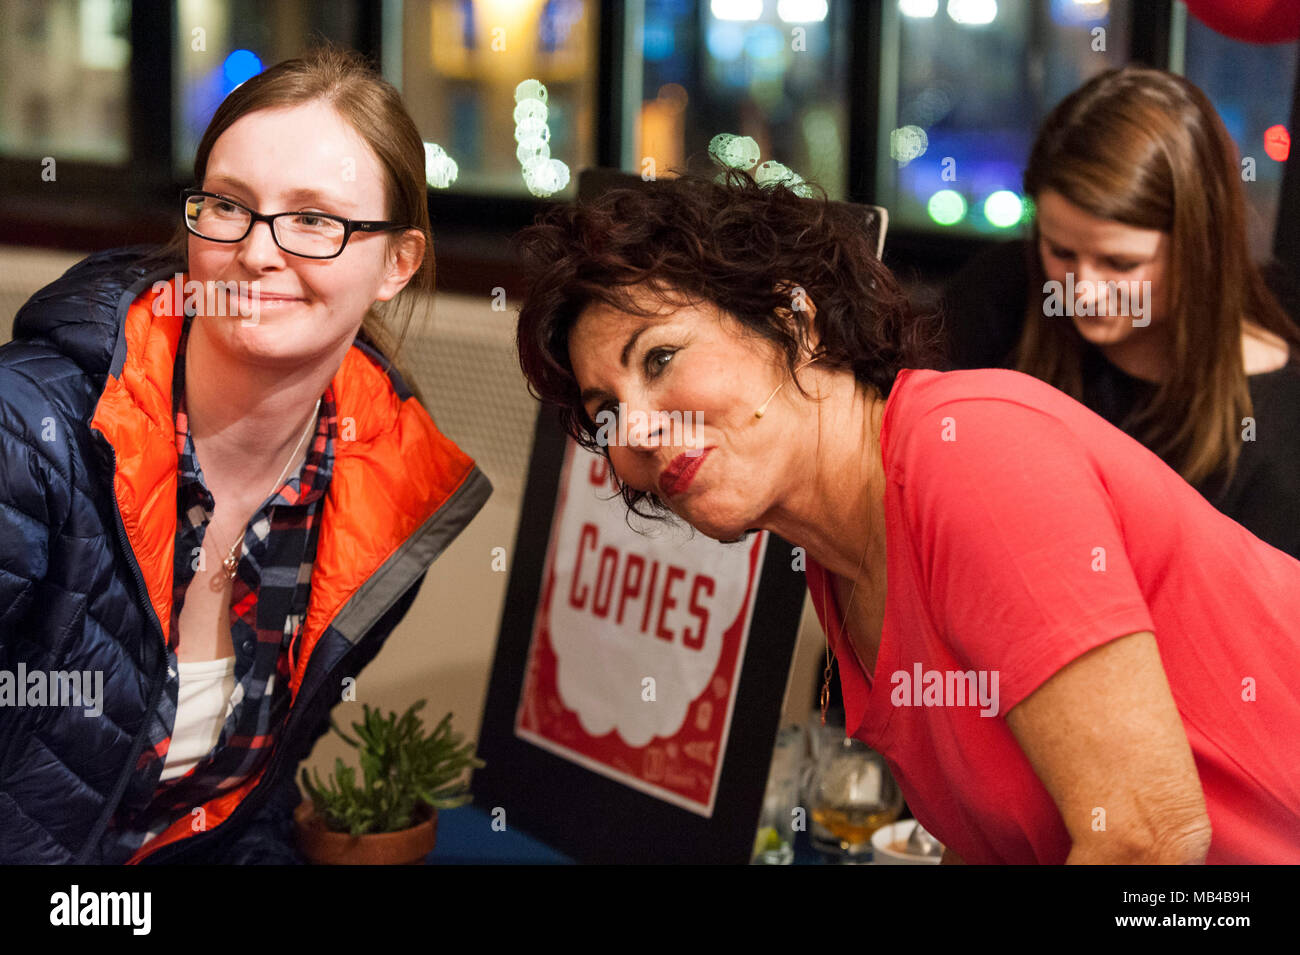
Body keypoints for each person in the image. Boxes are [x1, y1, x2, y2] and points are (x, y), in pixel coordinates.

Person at [514, 168, 1300, 864]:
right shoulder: (838, 562)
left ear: (794, 321)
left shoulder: (968, 454)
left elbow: (1151, 837)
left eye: (660, 358)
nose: (640, 429)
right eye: (606, 410)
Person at [0, 47, 492, 864]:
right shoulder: (28, 437)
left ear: (395, 265)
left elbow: (241, 812)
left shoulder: (375, 499)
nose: (258, 252)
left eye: (313, 219)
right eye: (228, 205)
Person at [943, 65, 1300, 560]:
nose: (1081, 291)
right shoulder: (997, 298)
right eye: (1060, 251)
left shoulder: (1277, 435)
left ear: (1201, 248)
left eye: (1120, 263)